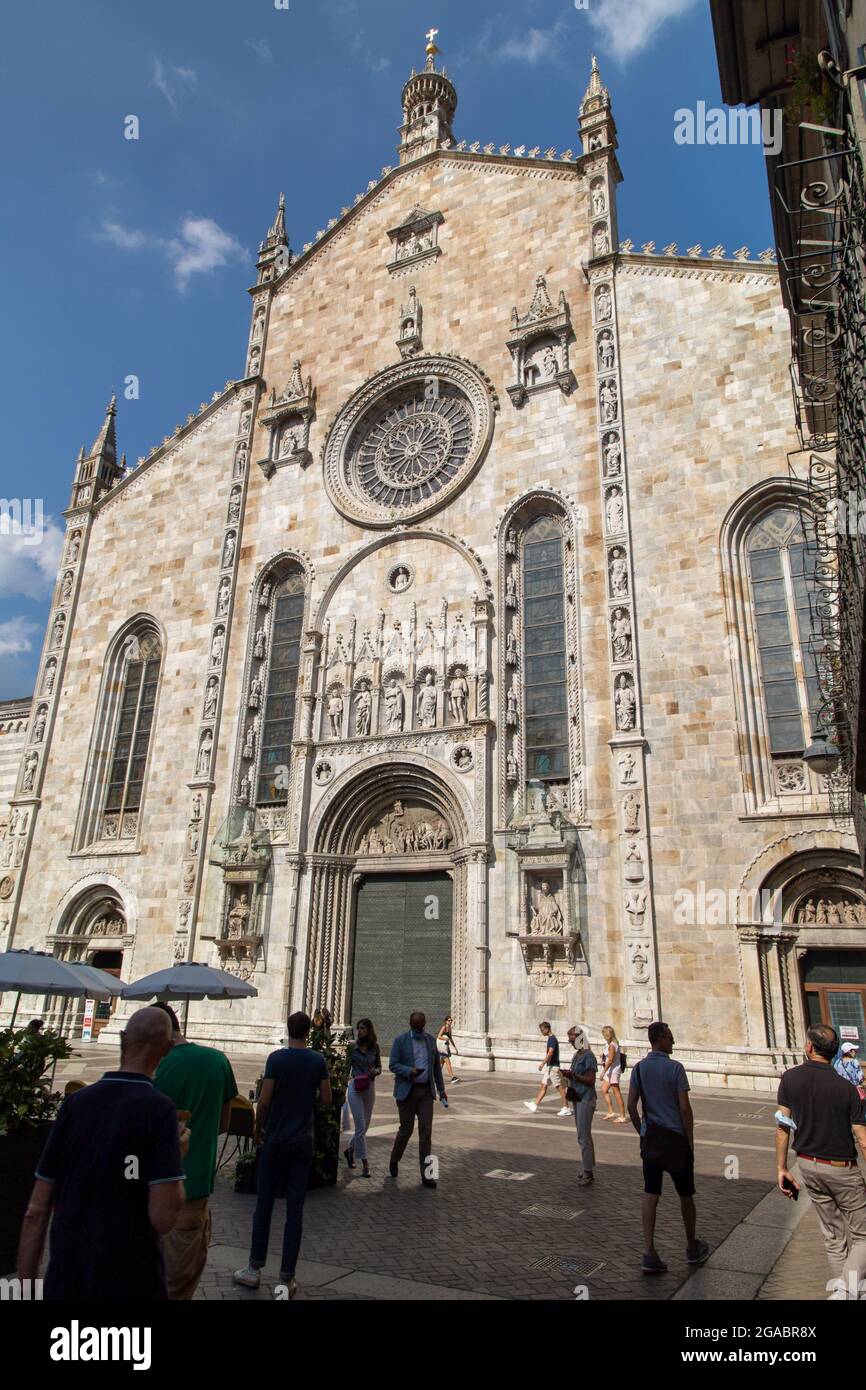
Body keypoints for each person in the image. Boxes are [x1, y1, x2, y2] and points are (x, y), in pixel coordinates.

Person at [17, 1007, 187, 1300]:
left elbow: (36, 1210)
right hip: (132, 1282)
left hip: (66, 1279)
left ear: (122, 1038)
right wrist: (177, 1158)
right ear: (168, 1048)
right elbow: (163, 1218)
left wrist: (24, 1290)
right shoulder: (159, 1111)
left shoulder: (74, 1105)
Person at [234, 1011, 331, 1298]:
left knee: (263, 1206)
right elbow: (326, 1099)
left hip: (275, 1140)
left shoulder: (276, 1059)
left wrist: (257, 1129)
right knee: (295, 1211)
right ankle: (287, 1277)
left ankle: (253, 1269)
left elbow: (263, 1102)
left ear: (288, 1030)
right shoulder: (318, 1060)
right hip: (302, 1141)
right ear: (309, 1032)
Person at [153, 1003, 238, 1299]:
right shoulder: (217, 1060)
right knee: (179, 1283)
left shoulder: (154, 1066)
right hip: (194, 1186)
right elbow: (225, 1122)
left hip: (144, 1189)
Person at [777, 1023, 866, 1299]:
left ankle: (847, 1291)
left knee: (833, 1235)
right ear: (834, 1051)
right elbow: (862, 1139)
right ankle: (846, 1289)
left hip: (807, 1165)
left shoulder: (789, 1079)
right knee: (863, 1234)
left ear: (809, 1047)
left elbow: (783, 1126)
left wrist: (781, 1168)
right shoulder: (847, 1089)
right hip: (842, 1169)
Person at [626, 1020, 709, 1274]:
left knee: (651, 1194)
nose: (673, 1042)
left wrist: (642, 1131)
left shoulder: (639, 1069)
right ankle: (691, 1247)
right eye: (670, 1038)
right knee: (686, 1195)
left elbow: (631, 1106)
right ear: (660, 1038)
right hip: (675, 1141)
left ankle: (649, 1252)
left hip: (652, 1141)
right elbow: (685, 1108)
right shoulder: (675, 1068)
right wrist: (690, 1139)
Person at [388, 1010, 446, 1188]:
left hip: (425, 1093)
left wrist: (442, 1090)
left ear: (424, 1025)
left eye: (421, 1027)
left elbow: (436, 1068)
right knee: (405, 1130)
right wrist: (408, 1071)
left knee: (426, 1133)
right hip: (407, 1091)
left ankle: (427, 1176)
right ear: (411, 1025)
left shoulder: (430, 1041)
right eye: (416, 1027)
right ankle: (394, 1159)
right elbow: (393, 1064)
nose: (419, 1029)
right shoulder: (400, 1041)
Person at [344, 1018, 381, 1178]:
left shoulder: (375, 1048)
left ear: (369, 1030)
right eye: (358, 1028)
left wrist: (376, 1071)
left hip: (369, 1088)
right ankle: (365, 1164)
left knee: (364, 1127)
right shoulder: (352, 1047)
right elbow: (346, 1068)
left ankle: (350, 1149)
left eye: (363, 1028)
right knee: (360, 1127)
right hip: (355, 1088)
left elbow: (379, 1066)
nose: (359, 1031)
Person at [562, 1025, 598, 1186]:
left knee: (583, 1136)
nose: (571, 1043)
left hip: (586, 1098)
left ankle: (588, 1173)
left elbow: (591, 1080)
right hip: (577, 1097)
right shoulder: (577, 1055)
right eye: (570, 1040)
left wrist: (573, 1075)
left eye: (572, 1040)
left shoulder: (589, 1056)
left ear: (580, 1038)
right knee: (583, 1135)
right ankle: (587, 1167)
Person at [524, 1020, 571, 1116]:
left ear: (547, 1029)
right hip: (550, 1067)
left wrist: (542, 1063)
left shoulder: (552, 1039)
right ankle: (535, 1104)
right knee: (544, 1085)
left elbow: (550, 1052)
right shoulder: (550, 1038)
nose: (541, 1032)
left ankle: (566, 1108)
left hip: (553, 1067)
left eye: (542, 1030)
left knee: (559, 1087)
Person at [600, 1024, 628, 1123]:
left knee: (617, 1092)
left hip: (613, 1071)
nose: (602, 1035)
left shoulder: (612, 1045)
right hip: (610, 1071)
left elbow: (611, 1060)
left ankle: (622, 1116)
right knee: (604, 1089)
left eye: (603, 1033)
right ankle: (611, 1111)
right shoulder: (609, 1044)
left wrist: (603, 1072)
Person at [436, 1015, 460, 1084]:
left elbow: (451, 1038)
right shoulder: (444, 1027)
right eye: (449, 1020)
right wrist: (445, 1038)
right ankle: (452, 1077)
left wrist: (455, 1047)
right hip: (442, 1047)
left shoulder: (449, 1028)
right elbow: (439, 1036)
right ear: (446, 1021)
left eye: (451, 1020)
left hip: (445, 1047)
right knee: (448, 1062)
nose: (450, 1021)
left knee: (441, 1063)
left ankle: (435, 1077)